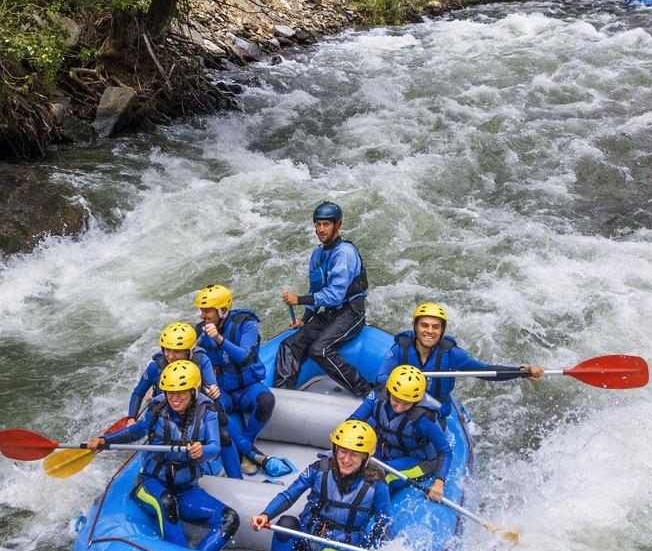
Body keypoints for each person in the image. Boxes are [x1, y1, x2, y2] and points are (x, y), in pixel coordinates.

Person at [88, 360, 238, 551]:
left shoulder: (207, 411)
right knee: (167, 502)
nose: (174, 398)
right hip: (150, 484)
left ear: (193, 391)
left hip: (187, 489)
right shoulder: (157, 409)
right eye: (169, 392)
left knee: (230, 518)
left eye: (180, 392)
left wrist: (203, 451)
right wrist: (103, 441)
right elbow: (135, 432)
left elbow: (215, 447)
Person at [249, 420, 390, 551]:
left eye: (354, 454)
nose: (346, 459)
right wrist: (265, 515)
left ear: (365, 457)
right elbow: (289, 496)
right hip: (308, 541)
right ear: (335, 450)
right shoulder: (318, 469)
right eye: (342, 451)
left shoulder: (377, 485)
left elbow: (382, 525)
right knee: (286, 524)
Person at [375, 302, 545, 419]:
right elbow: (382, 377)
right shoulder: (400, 349)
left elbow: (486, 371)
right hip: (402, 402)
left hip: (433, 410)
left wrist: (521, 371)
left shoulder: (452, 354)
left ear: (442, 331)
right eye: (424, 325)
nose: (429, 331)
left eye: (435, 327)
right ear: (415, 327)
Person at [274, 201, 372, 397]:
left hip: (350, 312)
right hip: (329, 313)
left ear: (338, 225)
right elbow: (317, 289)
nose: (320, 229)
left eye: (326, 224)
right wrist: (305, 318)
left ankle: (366, 390)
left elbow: (335, 296)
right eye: (317, 224)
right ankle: (283, 396)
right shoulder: (318, 253)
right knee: (289, 345)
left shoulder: (344, 253)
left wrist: (299, 300)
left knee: (320, 350)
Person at [127, 322, 242, 478]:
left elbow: (212, 389)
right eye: (167, 350)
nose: (170, 356)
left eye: (177, 352)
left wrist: (214, 393)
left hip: (193, 414)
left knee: (224, 436)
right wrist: (131, 417)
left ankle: (238, 474)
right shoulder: (156, 367)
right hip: (166, 416)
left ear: (189, 352)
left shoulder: (201, 361)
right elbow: (138, 393)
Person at [194, 284, 275, 473]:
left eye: (207, 311)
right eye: (202, 311)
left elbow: (245, 357)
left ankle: (245, 445)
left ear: (222, 311)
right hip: (223, 390)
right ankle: (250, 452)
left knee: (266, 400)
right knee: (212, 409)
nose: (202, 315)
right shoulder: (201, 330)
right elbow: (184, 356)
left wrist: (220, 339)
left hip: (248, 386)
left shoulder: (247, 323)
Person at [349, 365, 452, 501]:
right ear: (389, 392)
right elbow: (354, 420)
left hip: (416, 460)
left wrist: (439, 482)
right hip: (385, 448)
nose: (399, 408)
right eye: (396, 401)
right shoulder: (376, 397)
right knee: (353, 465)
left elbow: (445, 452)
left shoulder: (425, 418)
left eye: (406, 404)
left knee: (381, 477)